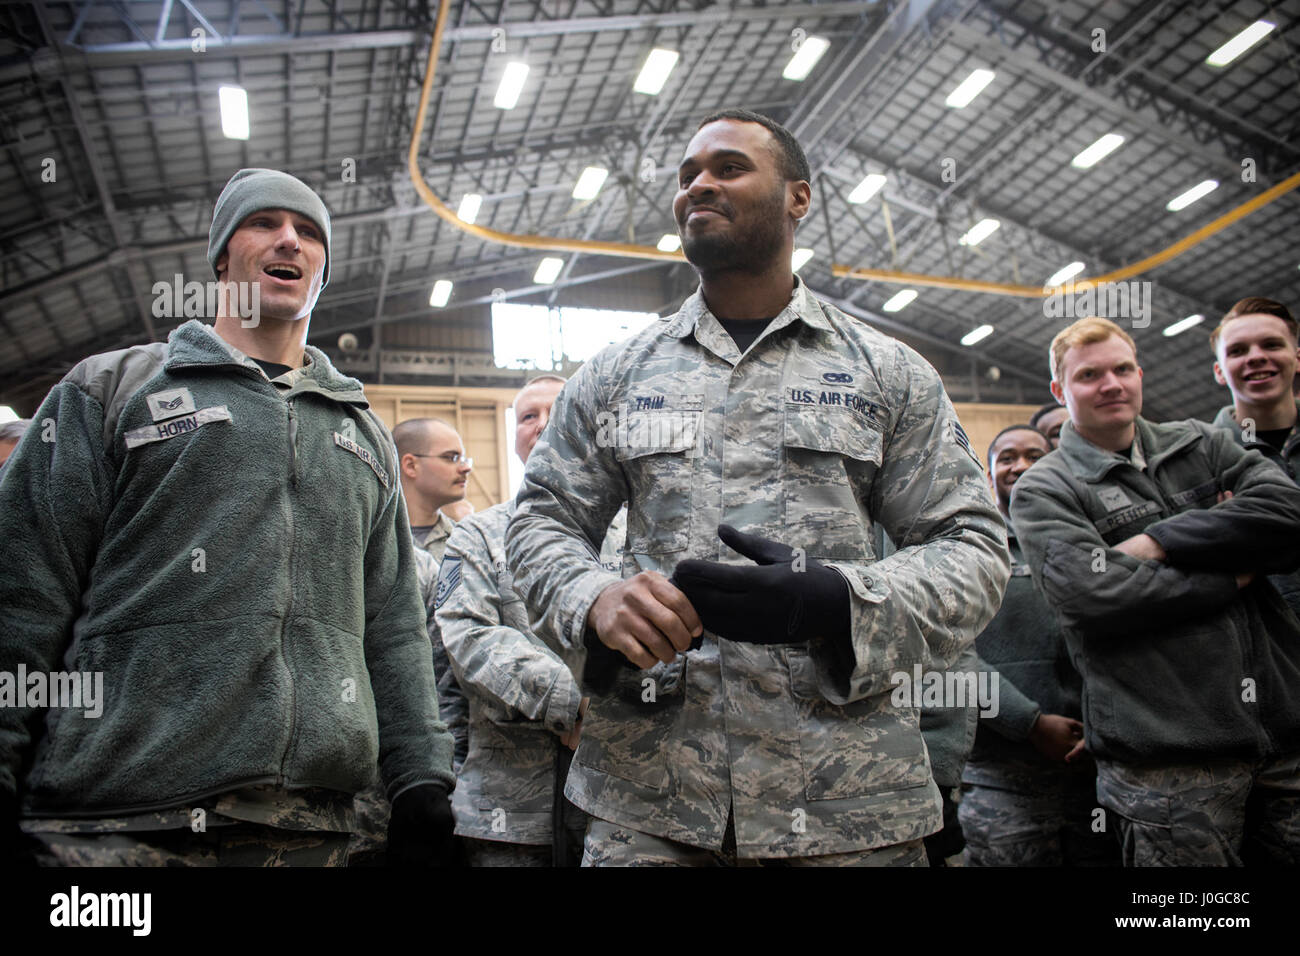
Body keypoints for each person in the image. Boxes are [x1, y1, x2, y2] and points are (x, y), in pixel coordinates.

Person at [505, 109, 1010, 866]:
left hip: (846, 800)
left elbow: (974, 547)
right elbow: (540, 520)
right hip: (651, 801)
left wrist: (841, 599)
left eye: (729, 167)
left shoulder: (888, 373)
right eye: (686, 176)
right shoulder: (615, 375)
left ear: (798, 198)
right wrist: (596, 598)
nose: (699, 185)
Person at [0, 168, 455, 867]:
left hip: (319, 830)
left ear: (324, 271)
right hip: (119, 825)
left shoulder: (360, 434)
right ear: (221, 256)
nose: (289, 241)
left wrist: (422, 779)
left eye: (308, 232)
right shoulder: (112, 390)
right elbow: (24, 593)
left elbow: (393, 627)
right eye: (264, 223)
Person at [1010, 316, 1300, 866]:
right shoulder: (1044, 489)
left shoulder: (1204, 443)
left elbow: (1287, 513)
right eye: (1090, 375)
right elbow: (1090, 597)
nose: (1112, 384)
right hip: (1167, 767)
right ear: (1060, 390)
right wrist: (1231, 571)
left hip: (1284, 744)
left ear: (1140, 374)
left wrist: (1160, 540)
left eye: (1123, 369)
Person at [436, 375, 624, 866]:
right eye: (526, 416)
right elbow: (467, 633)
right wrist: (572, 701)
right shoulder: (475, 536)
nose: (540, 425)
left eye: (554, 411)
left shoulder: (640, 531)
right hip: (513, 815)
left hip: (630, 812)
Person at [959, 425, 1115, 866]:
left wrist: (1105, 730)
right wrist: (1028, 723)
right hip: (1003, 782)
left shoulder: (1096, 546)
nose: (1021, 465)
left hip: (1099, 775)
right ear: (989, 478)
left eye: (1035, 454)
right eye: (1007, 457)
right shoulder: (971, 555)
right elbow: (947, 655)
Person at [392, 418, 473, 563]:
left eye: (464, 459)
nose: (466, 468)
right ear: (411, 466)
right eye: (451, 458)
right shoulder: (374, 541)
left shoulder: (467, 543)